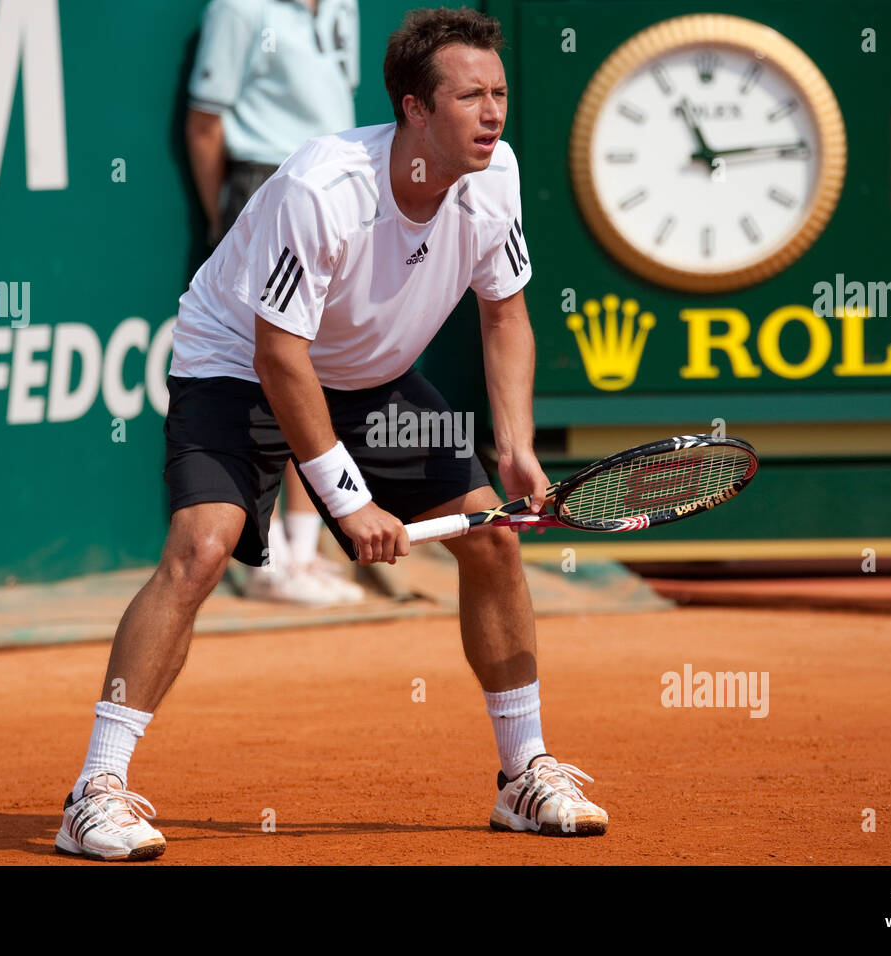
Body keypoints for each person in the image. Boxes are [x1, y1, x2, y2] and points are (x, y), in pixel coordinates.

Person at [55, 8, 608, 862]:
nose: (494, 112)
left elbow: (504, 315)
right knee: (203, 547)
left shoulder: (495, 179)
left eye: (500, 93)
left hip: (368, 372)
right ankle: (95, 790)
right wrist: (349, 503)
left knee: (493, 542)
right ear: (415, 109)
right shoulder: (326, 186)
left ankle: (523, 776)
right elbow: (281, 356)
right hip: (237, 359)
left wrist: (516, 445)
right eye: (471, 96)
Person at [183, 0, 363, 605]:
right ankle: (263, 559)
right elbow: (205, 123)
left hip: (336, 191)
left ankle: (304, 554)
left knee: (315, 370)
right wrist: (224, 228)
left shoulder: (344, 6)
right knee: (269, 374)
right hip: (263, 184)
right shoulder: (237, 9)